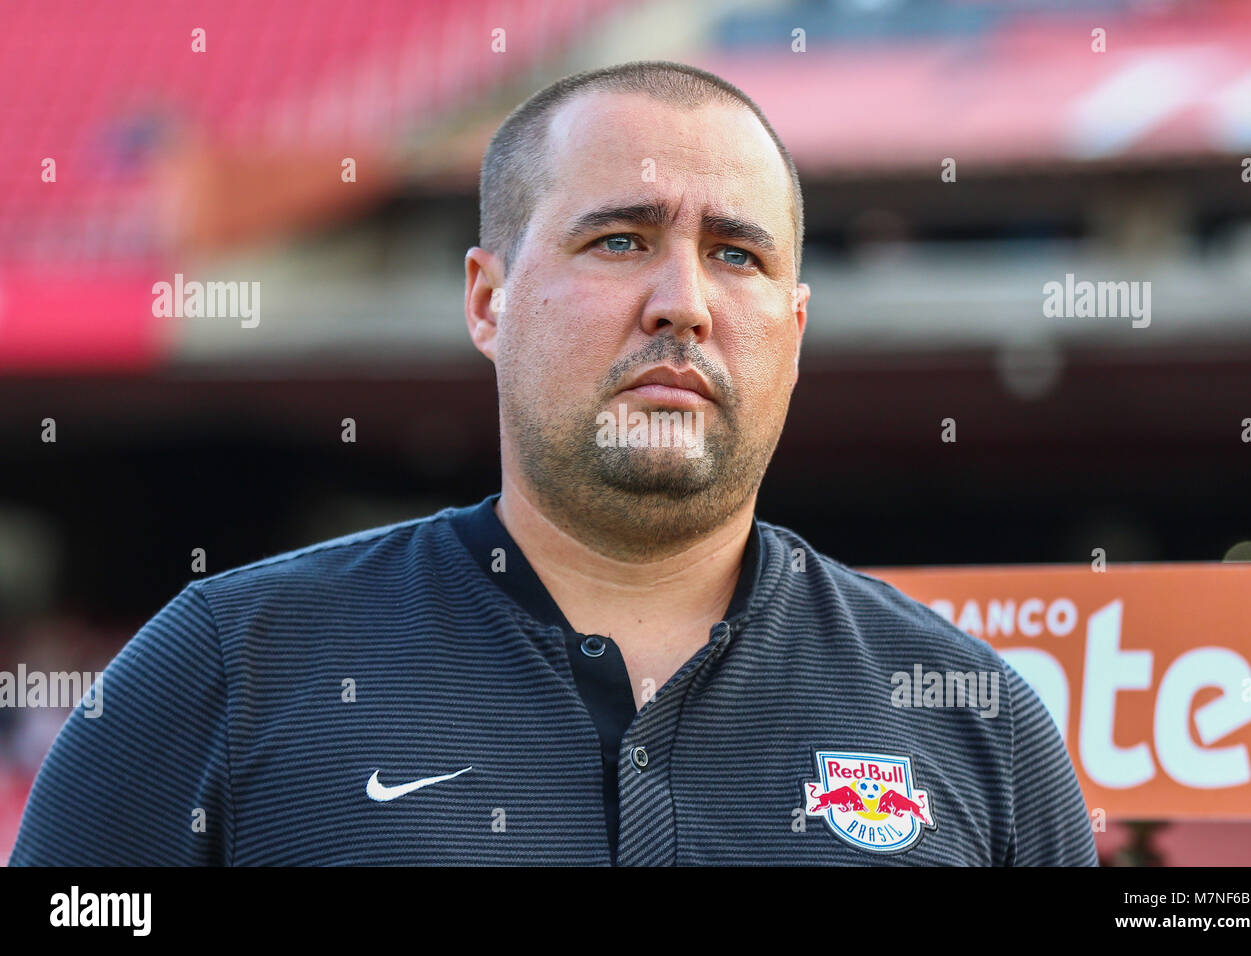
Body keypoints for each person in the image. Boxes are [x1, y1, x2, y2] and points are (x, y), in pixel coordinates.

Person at [10, 60, 1097, 865]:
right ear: (487, 298)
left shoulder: (974, 722)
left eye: (737, 253)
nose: (682, 300)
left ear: (795, 327)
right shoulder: (228, 670)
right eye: (618, 239)